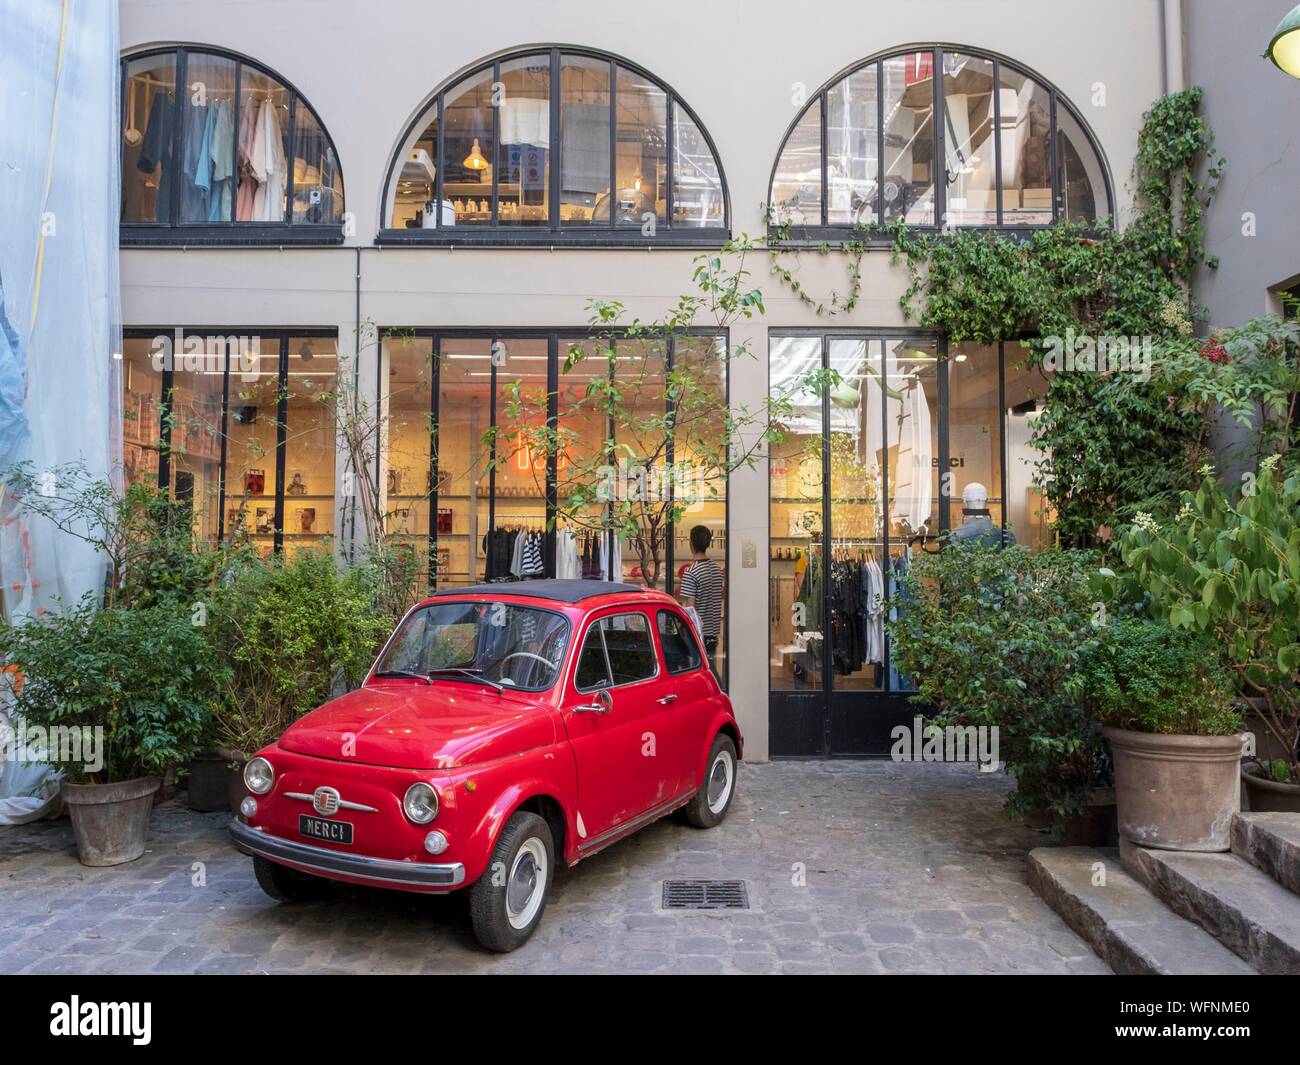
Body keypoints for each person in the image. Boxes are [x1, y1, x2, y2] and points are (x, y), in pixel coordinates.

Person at [678, 525, 724, 675]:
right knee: (711, 672)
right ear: (708, 543)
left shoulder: (691, 573)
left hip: (698, 636)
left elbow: (689, 610)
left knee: (700, 677)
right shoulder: (716, 570)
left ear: (691, 543)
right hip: (713, 634)